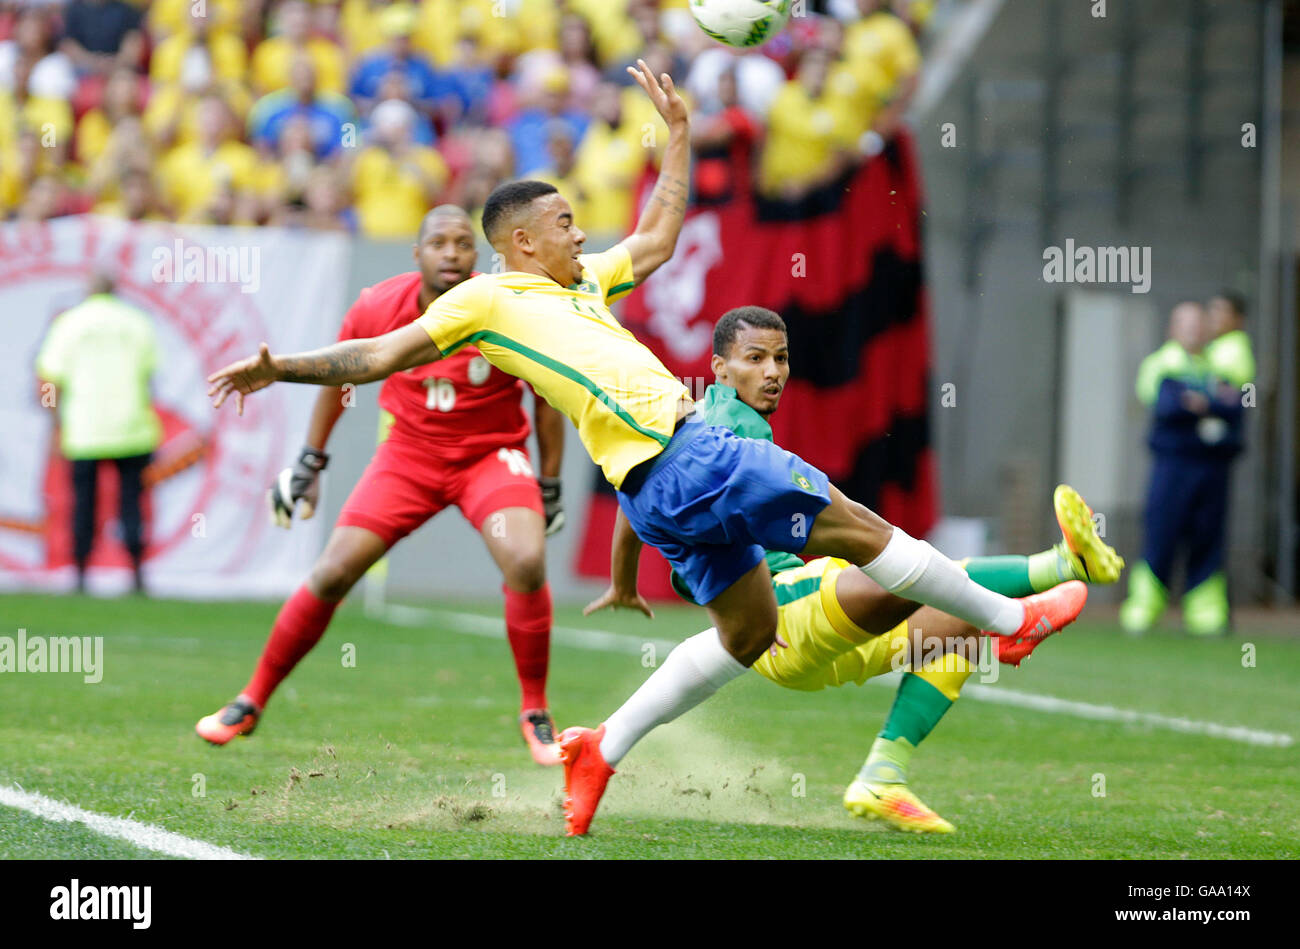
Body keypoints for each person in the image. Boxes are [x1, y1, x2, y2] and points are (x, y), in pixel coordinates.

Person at [206, 61, 1086, 837]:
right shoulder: (484, 300)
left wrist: (679, 137)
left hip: (655, 486)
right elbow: (377, 356)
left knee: (750, 633)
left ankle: (601, 750)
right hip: (683, 454)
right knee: (854, 525)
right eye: (562, 221)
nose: (579, 232)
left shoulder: (584, 280)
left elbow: (660, 236)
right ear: (520, 241)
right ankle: (1009, 624)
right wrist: (280, 366)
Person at [583, 305, 1121, 833]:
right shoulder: (728, 422)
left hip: (791, 647)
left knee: (956, 632)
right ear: (720, 370)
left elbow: (636, 500)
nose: (773, 373)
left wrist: (624, 582)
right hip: (784, 608)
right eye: (755, 358)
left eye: (781, 358)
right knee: (919, 575)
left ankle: (883, 777)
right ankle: (1055, 573)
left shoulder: (688, 435)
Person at [196, 206, 570, 765]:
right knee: (331, 572)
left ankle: (535, 711)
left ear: (478, 255)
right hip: (409, 459)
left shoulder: (500, 307)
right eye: (438, 243)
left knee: (525, 560)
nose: (451, 253)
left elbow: (547, 399)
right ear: (415, 254)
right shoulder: (377, 305)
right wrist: (308, 464)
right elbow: (337, 377)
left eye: (462, 244)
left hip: (490, 457)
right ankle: (250, 700)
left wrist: (549, 483)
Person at [1121, 301, 1249, 636]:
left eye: (1199, 323)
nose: (1194, 329)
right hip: (1173, 466)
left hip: (1213, 468)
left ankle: (1205, 611)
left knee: (1208, 538)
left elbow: (1236, 407)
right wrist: (1210, 404)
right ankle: (1144, 608)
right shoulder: (1162, 363)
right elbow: (1167, 406)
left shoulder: (1219, 365)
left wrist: (1202, 402)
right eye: (1186, 323)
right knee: (1162, 533)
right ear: (1172, 329)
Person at [35, 271, 160, 594]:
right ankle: (136, 574)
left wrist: (54, 420)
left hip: (83, 429)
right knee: (132, 503)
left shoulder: (69, 323)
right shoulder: (137, 322)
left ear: (89, 289)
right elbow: (149, 376)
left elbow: (49, 380)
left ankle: (79, 575)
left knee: (83, 505)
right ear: (116, 288)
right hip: (133, 427)